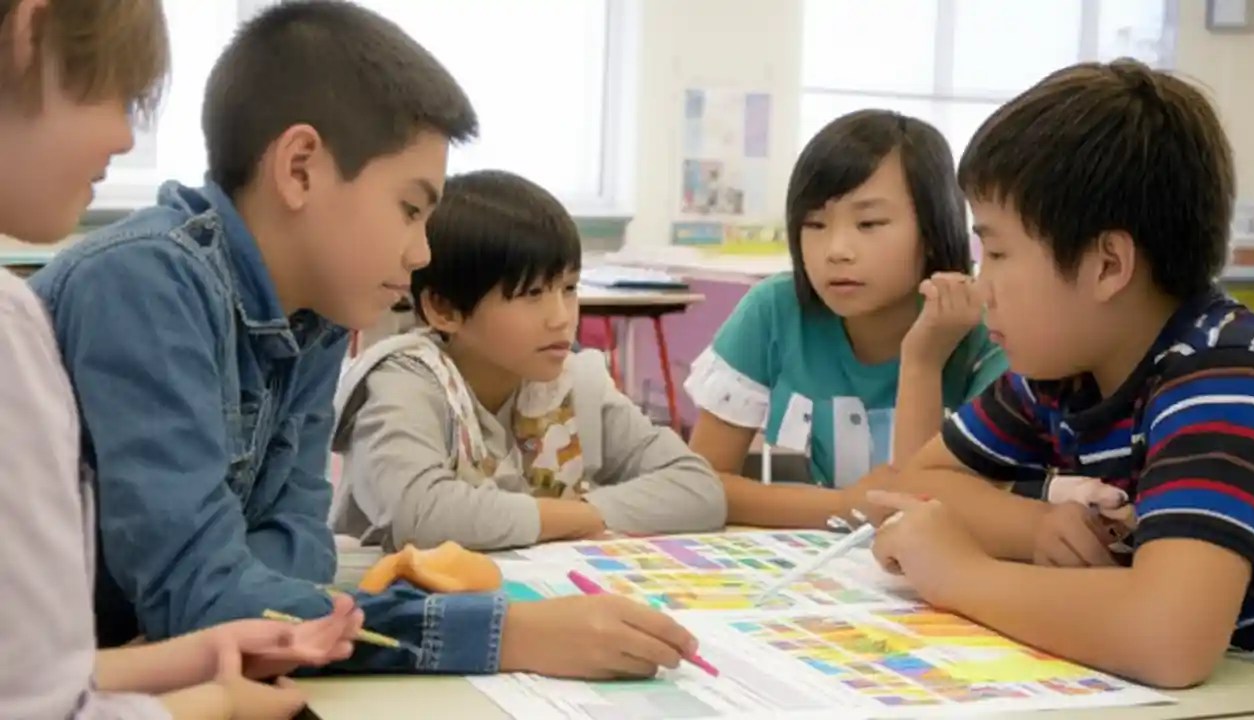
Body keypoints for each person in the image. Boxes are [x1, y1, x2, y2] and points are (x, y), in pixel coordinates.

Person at [30, 0, 698, 680]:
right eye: (410, 210)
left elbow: (301, 546)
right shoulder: (145, 284)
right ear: (299, 169)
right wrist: (506, 635)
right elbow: (202, 598)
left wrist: (229, 601)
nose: (421, 252)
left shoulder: (314, 314)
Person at [869, 59, 1254, 688]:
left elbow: (1170, 637)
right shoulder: (1063, 374)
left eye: (999, 252)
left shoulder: (1223, 376)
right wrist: (1037, 528)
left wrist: (959, 575)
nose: (983, 288)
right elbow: (923, 480)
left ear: (1108, 266)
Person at [0, 1, 360, 718]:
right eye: (121, 95)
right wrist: (215, 703)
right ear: (31, 34)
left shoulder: (319, 318)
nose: (124, 135)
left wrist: (191, 654)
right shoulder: (35, 318)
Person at [331, 169, 726, 551]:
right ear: (444, 309)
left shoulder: (574, 384)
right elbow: (420, 515)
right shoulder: (405, 380)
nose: (561, 317)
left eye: (569, 288)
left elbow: (697, 488)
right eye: (532, 293)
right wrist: (576, 520)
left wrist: (584, 512)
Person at [686, 110, 1006, 528]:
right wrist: (840, 507)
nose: (836, 250)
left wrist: (923, 360)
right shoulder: (776, 310)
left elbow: (931, 508)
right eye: (814, 224)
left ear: (932, 230)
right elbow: (698, 485)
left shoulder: (994, 330)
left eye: (869, 223)